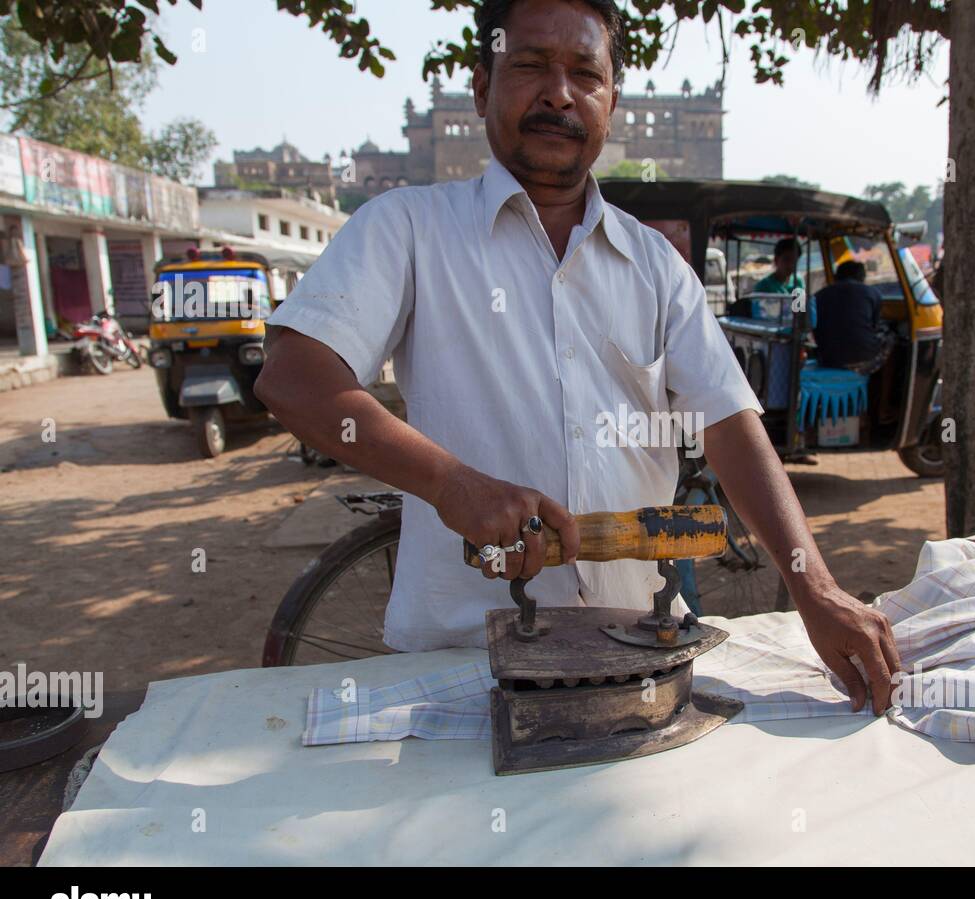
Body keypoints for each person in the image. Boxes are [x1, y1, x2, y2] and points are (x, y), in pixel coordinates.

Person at [254, 0, 901, 712]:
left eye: (584, 74)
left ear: (611, 103)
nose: (558, 93)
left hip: (642, 659)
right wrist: (450, 483)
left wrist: (815, 587)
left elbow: (727, 423)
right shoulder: (407, 229)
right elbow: (295, 377)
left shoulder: (655, 264)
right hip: (465, 672)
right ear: (481, 87)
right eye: (530, 66)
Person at [812, 260, 893, 373]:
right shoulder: (873, 293)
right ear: (862, 278)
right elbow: (873, 326)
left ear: (836, 277)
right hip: (864, 359)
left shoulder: (819, 296)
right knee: (890, 337)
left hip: (828, 360)